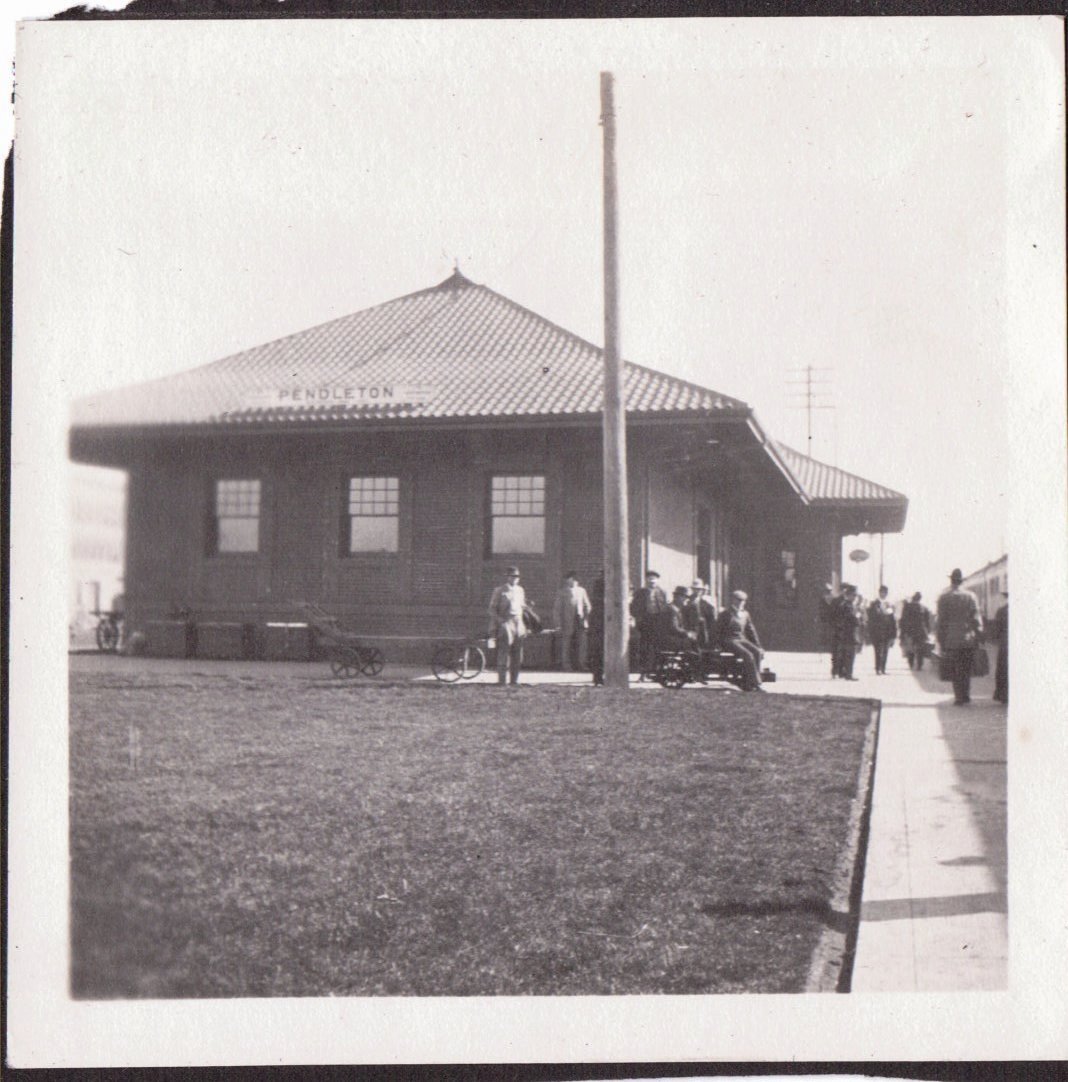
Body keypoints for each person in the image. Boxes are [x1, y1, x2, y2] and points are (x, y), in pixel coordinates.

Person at [936, 567, 983, 705]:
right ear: (961, 581)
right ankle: (966, 695)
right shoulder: (971, 596)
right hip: (968, 638)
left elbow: (941, 621)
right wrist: (980, 635)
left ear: (951, 580)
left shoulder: (944, 597)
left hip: (951, 639)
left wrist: (940, 639)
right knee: (966, 668)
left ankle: (958, 697)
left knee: (955, 668)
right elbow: (976, 618)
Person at [715, 590, 764, 691]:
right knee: (748, 655)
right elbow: (717, 630)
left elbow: (751, 630)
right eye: (739, 600)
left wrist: (758, 645)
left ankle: (750, 680)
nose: (741, 602)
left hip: (741, 639)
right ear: (733, 600)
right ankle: (756, 683)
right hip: (729, 640)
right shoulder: (726, 613)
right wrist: (717, 644)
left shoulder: (745, 614)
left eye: (743, 601)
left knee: (757, 652)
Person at [488, 566, 528, 686]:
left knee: (518, 653)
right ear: (507, 577)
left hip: (518, 622)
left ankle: (514, 681)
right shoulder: (500, 590)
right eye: (513, 576)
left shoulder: (520, 590)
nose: (516, 579)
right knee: (504, 652)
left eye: (517, 576)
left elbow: (522, 606)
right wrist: (501, 621)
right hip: (506, 622)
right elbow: (491, 609)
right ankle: (502, 681)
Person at [629, 570, 668, 679]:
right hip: (645, 622)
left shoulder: (662, 592)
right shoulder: (640, 593)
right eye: (650, 580)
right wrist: (638, 618)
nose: (652, 582)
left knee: (657, 647)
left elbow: (665, 608)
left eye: (654, 580)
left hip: (658, 622)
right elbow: (633, 607)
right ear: (646, 580)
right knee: (644, 647)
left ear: (657, 581)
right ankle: (643, 673)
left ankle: (657, 672)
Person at [552, 571, 591, 672]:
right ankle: (566, 665)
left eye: (574, 579)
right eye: (570, 579)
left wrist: (585, 617)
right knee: (566, 644)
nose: (573, 581)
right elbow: (557, 609)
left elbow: (587, 605)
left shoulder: (582, 591)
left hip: (580, 621)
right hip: (567, 622)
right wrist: (558, 624)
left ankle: (582, 664)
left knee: (582, 643)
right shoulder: (562, 592)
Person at [832, 583, 861, 680]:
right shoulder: (848, 606)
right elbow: (853, 619)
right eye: (854, 595)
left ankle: (844, 673)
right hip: (849, 634)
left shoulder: (846, 604)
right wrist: (858, 617)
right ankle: (848, 674)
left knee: (846, 654)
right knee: (850, 655)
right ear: (849, 595)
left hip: (846, 633)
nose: (855, 597)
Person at [867, 585, 897, 675]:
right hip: (877, 631)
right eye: (882, 592)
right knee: (878, 650)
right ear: (879, 593)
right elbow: (871, 618)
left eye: (885, 592)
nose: (883, 594)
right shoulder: (874, 603)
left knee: (885, 650)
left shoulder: (889, 605)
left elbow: (892, 619)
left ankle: (883, 669)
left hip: (887, 631)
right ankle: (877, 668)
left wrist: (893, 633)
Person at [899, 591, 932, 670]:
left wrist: (903, 632)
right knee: (920, 648)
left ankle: (911, 663)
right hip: (921, 631)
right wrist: (928, 631)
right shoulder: (924, 607)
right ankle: (919, 665)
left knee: (911, 648)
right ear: (920, 599)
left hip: (910, 630)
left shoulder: (907, 606)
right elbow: (927, 621)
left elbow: (903, 620)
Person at [688, 579, 718, 648]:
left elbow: (711, 617)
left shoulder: (705, 603)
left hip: (703, 628)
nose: (698, 591)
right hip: (690, 626)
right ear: (692, 589)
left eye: (699, 589)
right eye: (695, 589)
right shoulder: (687, 601)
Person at [587, 573, 605, 686]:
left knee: (599, 652)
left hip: (600, 626)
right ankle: (598, 677)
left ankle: (598, 677)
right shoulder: (598, 605)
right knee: (598, 651)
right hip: (599, 626)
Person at [818, 583, 837, 676]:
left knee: (833, 646)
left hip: (830, 624)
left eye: (829, 591)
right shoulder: (824, 600)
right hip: (828, 623)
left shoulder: (832, 600)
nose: (828, 593)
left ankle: (834, 669)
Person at [992, 593, 1008, 704]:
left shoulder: (1001, 611)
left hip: (1005, 643)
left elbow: (996, 631)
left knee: (1003, 669)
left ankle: (1003, 695)